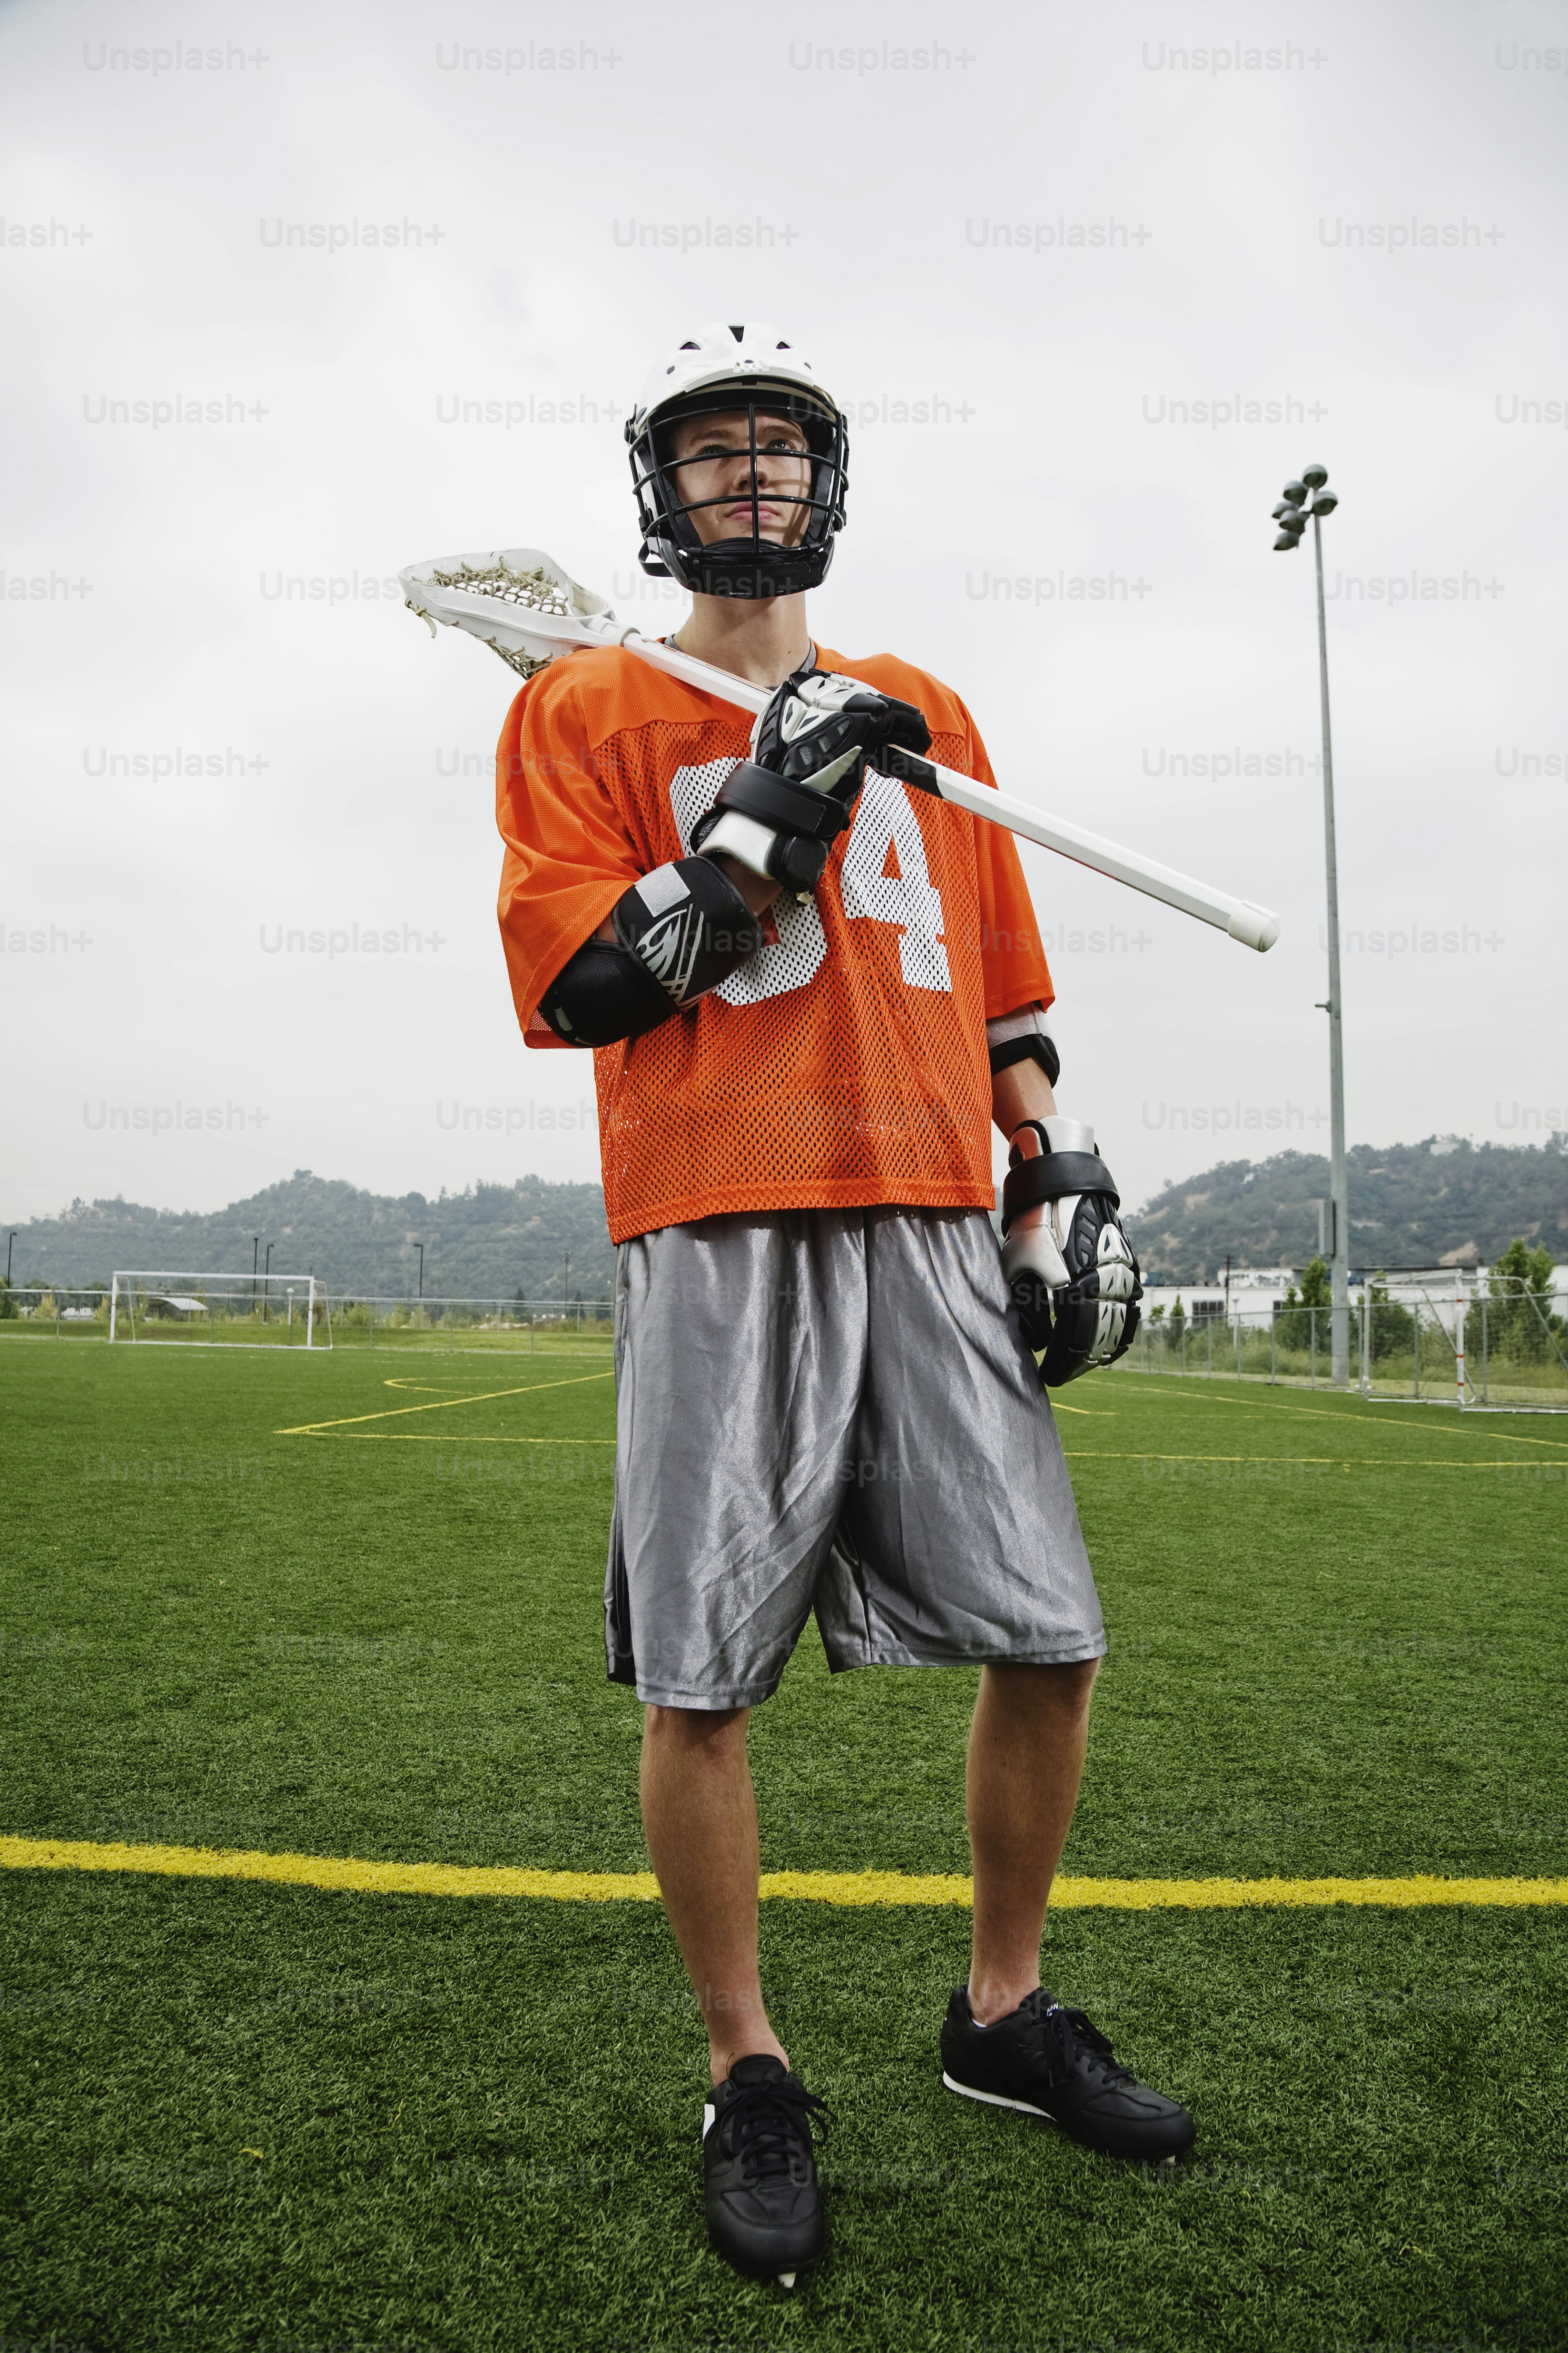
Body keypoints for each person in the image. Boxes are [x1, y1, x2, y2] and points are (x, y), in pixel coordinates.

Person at [494, 321, 1192, 2286]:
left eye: (774, 448)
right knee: (700, 1676)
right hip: (719, 1206)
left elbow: (1000, 972)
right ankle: (749, 2066)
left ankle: (999, 2010)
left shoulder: (924, 700)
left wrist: (1043, 1166)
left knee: (1049, 1633)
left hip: (927, 1205)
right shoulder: (576, 707)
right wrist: (759, 810)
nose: (746, 479)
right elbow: (590, 989)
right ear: (663, 495)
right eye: (709, 454)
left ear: (827, 480)